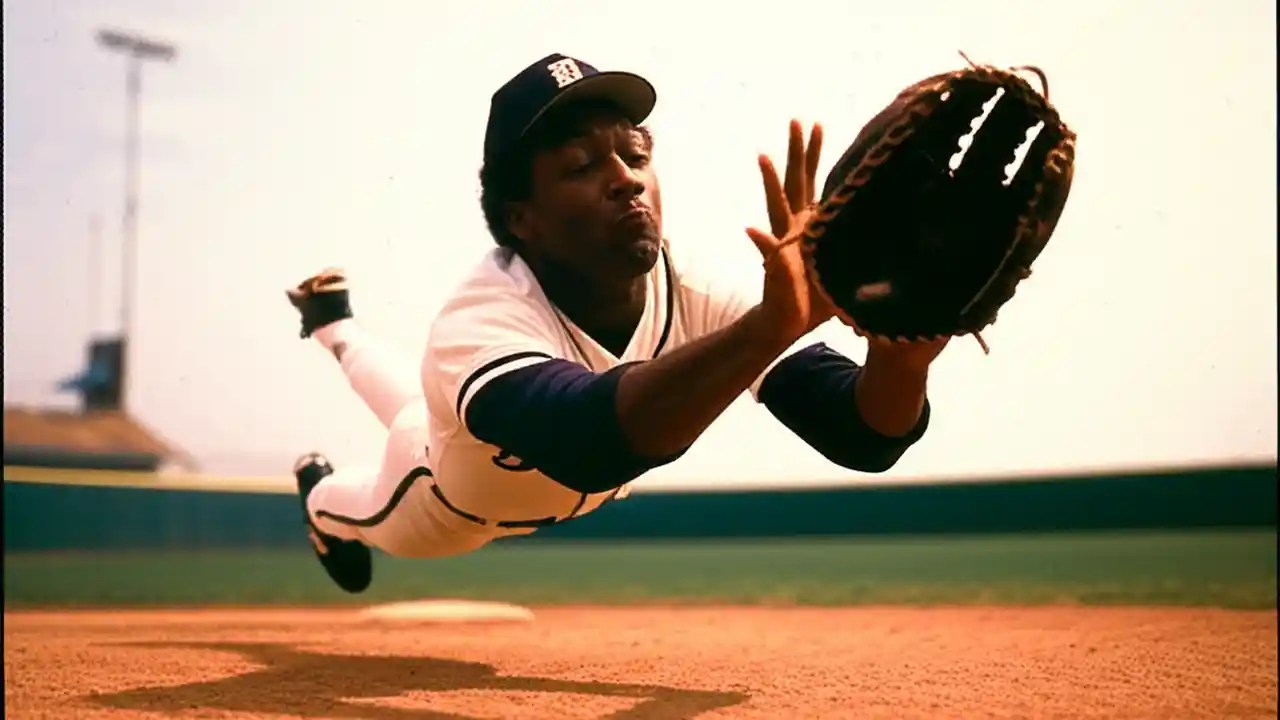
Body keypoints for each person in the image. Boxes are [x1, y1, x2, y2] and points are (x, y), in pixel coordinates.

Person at [285, 53, 949, 594]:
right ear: (521, 217)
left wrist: (904, 355)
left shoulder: (694, 290)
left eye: (635, 155)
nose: (626, 179)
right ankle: (319, 491)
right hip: (442, 502)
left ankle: (332, 323)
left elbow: (860, 435)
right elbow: (589, 442)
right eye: (581, 166)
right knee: (371, 485)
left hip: (455, 426)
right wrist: (766, 332)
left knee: (410, 401)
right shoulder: (481, 317)